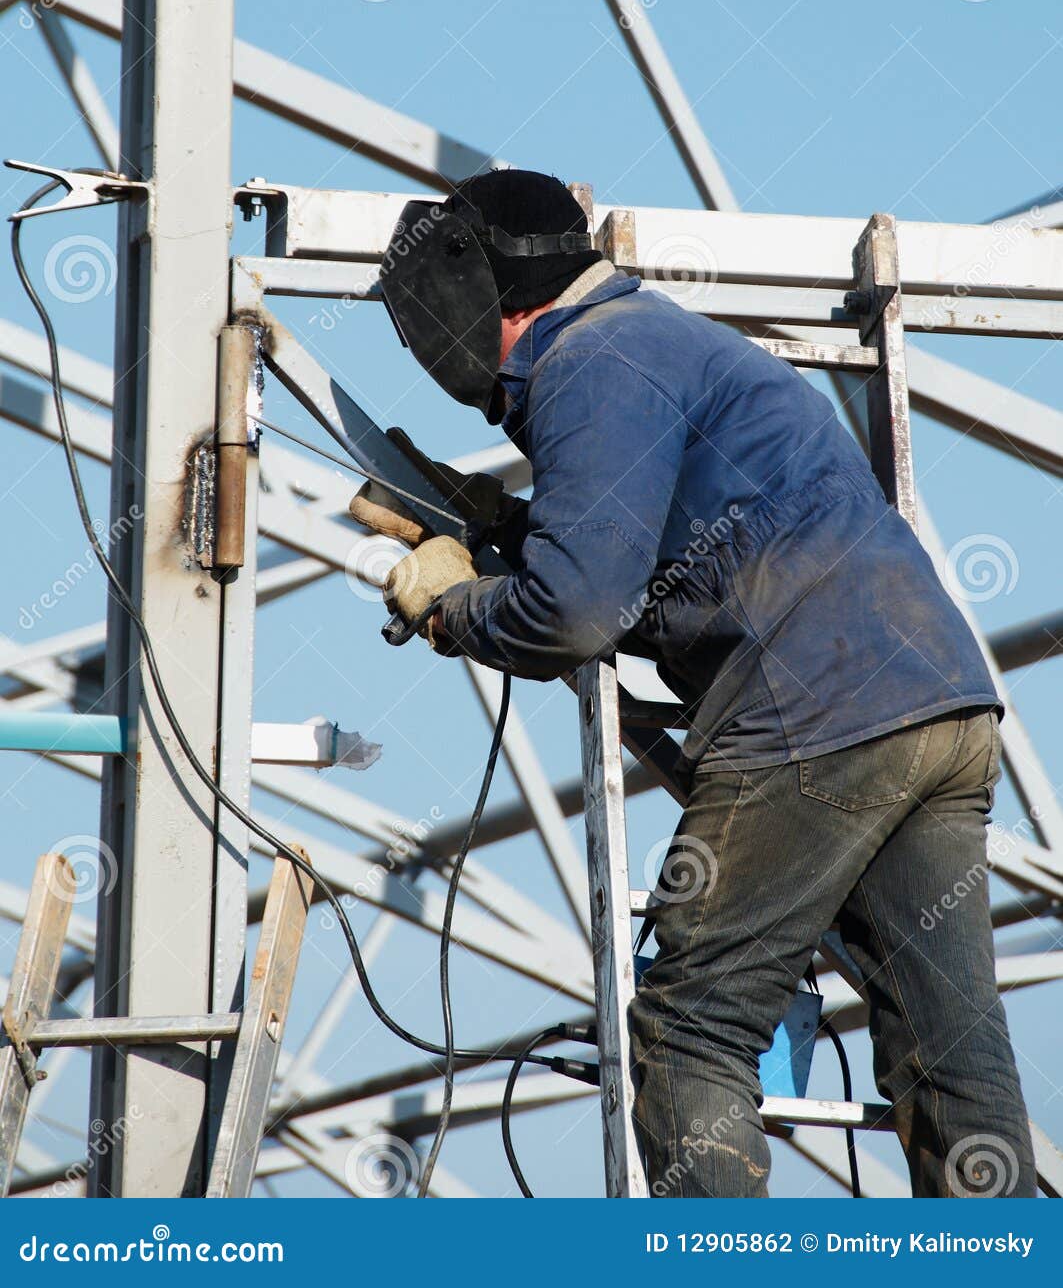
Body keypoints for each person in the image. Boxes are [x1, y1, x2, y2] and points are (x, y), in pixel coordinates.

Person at [378, 167, 1035, 1199]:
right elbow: (658, 555)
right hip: (934, 701)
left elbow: (578, 611)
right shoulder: (655, 336)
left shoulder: (588, 362)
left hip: (814, 713)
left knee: (691, 1022)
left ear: (479, 288)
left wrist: (455, 607)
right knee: (944, 1034)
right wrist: (504, 527)